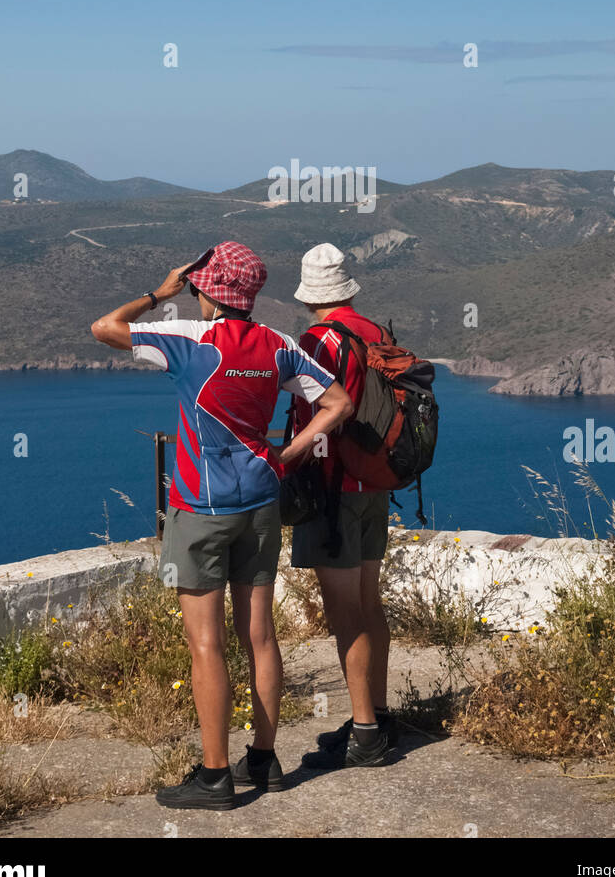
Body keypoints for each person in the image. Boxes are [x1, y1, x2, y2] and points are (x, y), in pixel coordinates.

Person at [90, 240, 353, 809]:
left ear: (206, 290)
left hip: (200, 511)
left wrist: (158, 294)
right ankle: (263, 758)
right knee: (260, 635)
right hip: (262, 501)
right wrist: (289, 454)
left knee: (205, 643)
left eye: (196, 288)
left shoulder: (190, 337)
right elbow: (338, 403)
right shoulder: (278, 345)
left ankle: (214, 777)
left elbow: (104, 327)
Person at [288, 242, 397, 769]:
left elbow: (316, 414)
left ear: (311, 295)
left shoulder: (316, 340)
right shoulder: (376, 332)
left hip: (332, 491)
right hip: (376, 485)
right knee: (370, 604)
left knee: (344, 614)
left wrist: (286, 457)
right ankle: (374, 713)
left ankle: (367, 735)